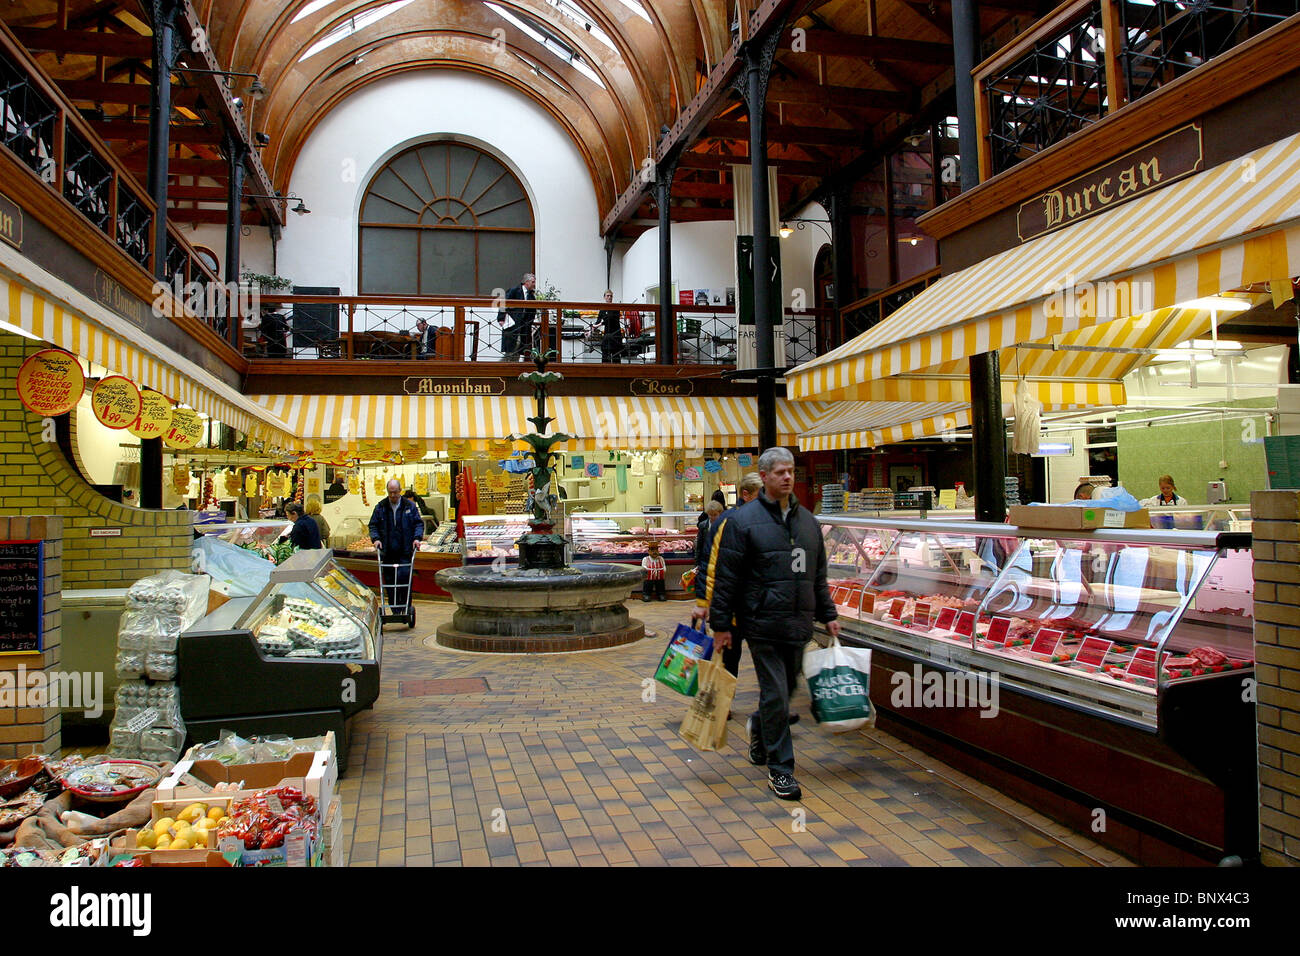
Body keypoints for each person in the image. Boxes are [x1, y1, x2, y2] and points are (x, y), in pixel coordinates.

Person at [709, 448, 840, 801]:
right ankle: (781, 770)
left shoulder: (809, 523)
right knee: (777, 694)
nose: (787, 477)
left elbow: (818, 575)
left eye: (791, 471)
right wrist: (721, 624)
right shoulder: (742, 522)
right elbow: (727, 577)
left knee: (786, 691)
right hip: (762, 622)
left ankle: (760, 732)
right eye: (780, 472)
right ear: (764, 476)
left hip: (799, 623)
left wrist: (827, 614)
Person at [693, 472, 764, 682]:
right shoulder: (726, 521)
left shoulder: (770, 520)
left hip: (760, 606)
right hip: (731, 607)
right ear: (746, 495)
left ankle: (770, 709)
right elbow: (709, 564)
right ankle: (721, 704)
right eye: (762, 494)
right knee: (729, 658)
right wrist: (702, 602)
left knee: (766, 659)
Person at [368, 479, 424, 613]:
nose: (392, 495)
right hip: (387, 551)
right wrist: (376, 539)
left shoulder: (409, 506)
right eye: (390, 493)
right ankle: (394, 609)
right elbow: (373, 525)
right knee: (390, 581)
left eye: (395, 492)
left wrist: (417, 538)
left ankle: (405, 607)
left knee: (404, 578)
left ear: (400, 491)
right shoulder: (381, 507)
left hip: (405, 550)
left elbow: (418, 523)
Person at [497, 272, 537, 361]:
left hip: (524, 326)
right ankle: (504, 365)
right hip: (512, 323)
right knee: (512, 346)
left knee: (519, 347)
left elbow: (532, 311)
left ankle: (513, 365)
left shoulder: (531, 295)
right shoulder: (514, 290)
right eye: (533, 282)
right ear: (526, 282)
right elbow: (504, 303)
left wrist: (530, 323)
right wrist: (501, 318)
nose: (534, 284)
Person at [597, 291, 623, 364]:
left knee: (616, 356)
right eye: (608, 296)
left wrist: (600, 323)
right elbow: (598, 321)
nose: (609, 297)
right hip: (607, 334)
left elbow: (610, 319)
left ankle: (617, 374)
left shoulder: (616, 308)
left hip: (616, 334)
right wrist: (591, 329)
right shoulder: (602, 309)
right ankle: (605, 374)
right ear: (604, 297)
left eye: (611, 296)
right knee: (605, 355)